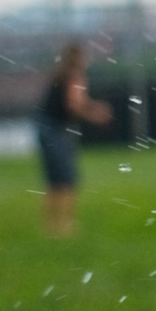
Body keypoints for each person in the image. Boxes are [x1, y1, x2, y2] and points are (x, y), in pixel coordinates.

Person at [37, 43, 112, 236]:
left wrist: (93, 107)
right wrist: (96, 115)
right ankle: (65, 225)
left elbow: (73, 100)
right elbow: (74, 104)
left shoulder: (60, 75)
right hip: (56, 129)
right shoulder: (75, 76)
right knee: (67, 178)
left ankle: (52, 225)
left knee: (53, 180)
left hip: (44, 126)